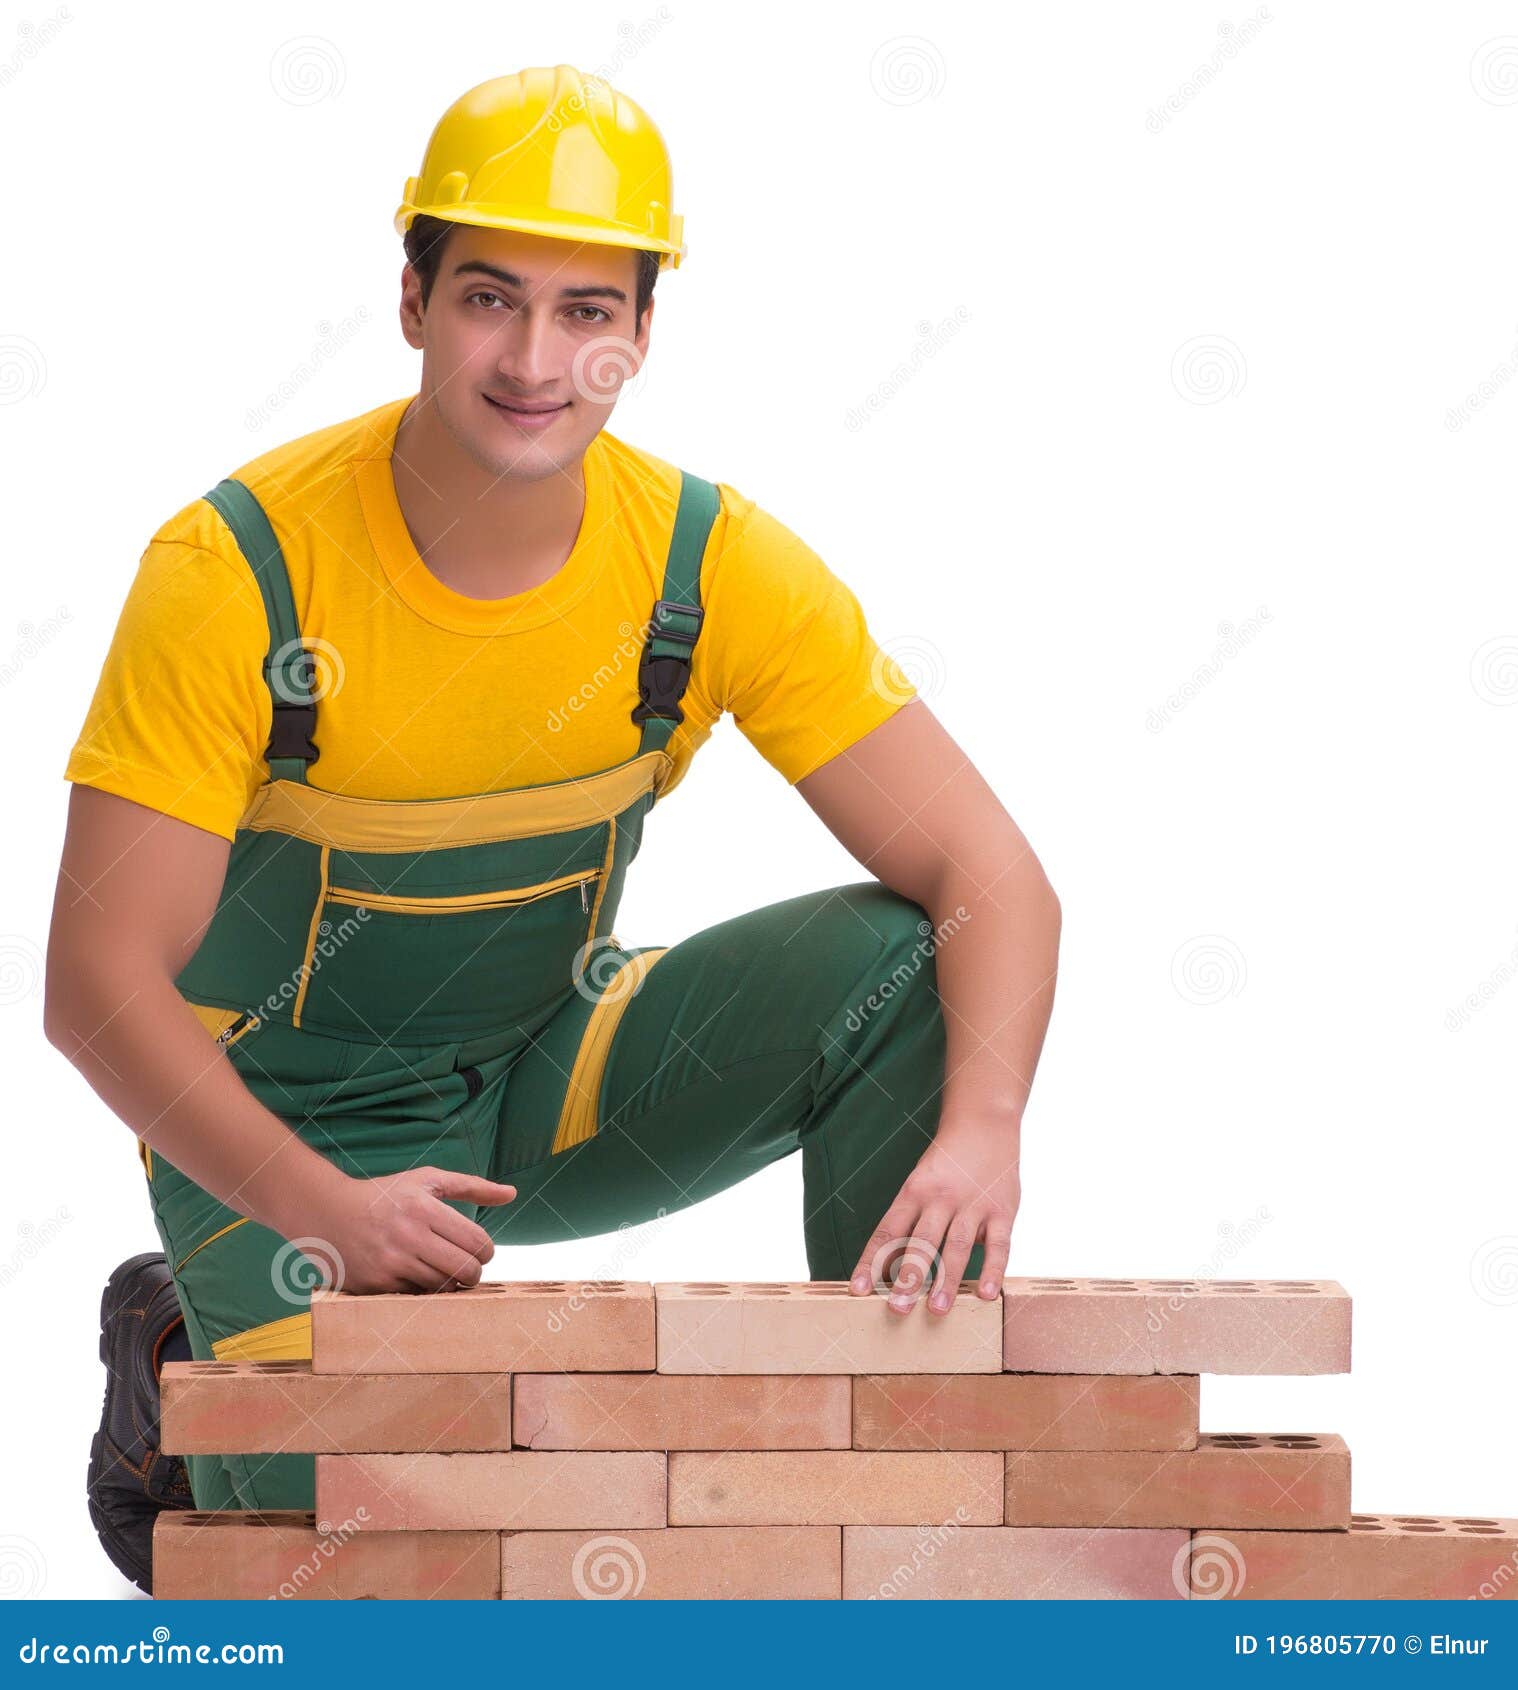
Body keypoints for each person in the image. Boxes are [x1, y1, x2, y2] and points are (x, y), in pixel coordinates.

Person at [44, 65, 1061, 1592]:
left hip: (535, 1066)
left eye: (588, 311)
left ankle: (898, 1475)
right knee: (357, 1560)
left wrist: (984, 1128)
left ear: (642, 332)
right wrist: (320, 1209)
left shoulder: (709, 566)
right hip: (273, 1129)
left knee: (903, 964)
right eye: (489, 299)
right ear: (410, 300)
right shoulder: (238, 571)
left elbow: (992, 880)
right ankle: (184, 1367)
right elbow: (95, 983)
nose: (534, 357)